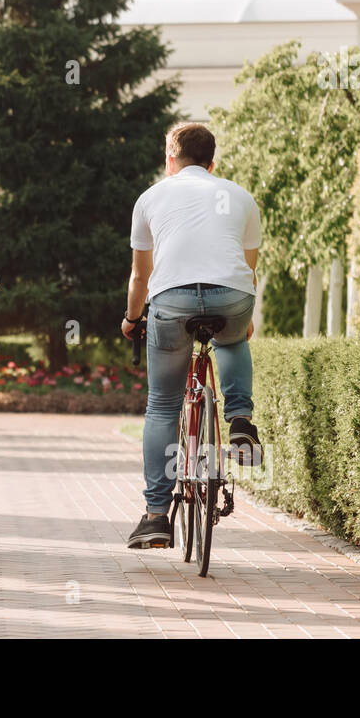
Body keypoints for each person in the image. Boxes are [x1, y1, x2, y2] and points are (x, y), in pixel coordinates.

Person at [120, 121, 263, 549]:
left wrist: (131, 319)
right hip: (232, 298)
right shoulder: (240, 196)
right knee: (233, 340)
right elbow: (248, 268)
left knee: (163, 406)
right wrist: (243, 318)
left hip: (172, 302)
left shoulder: (150, 197)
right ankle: (240, 421)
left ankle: (156, 516)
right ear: (212, 161)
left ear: (170, 158)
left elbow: (139, 275)